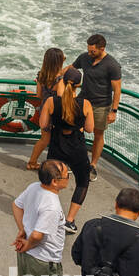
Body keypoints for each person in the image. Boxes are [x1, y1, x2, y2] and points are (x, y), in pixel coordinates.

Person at [5, 159, 69, 276]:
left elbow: (16, 205)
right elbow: (39, 235)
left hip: (28, 254)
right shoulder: (52, 206)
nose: (69, 178)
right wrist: (28, 242)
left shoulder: (34, 187)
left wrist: (22, 231)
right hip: (43, 258)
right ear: (55, 182)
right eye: (67, 175)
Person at [38, 66, 95, 233]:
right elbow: (90, 129)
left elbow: (43, 124)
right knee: (82, 181)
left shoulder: (51, 102)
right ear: (79, 85)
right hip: (77, 147)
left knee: (50, 180)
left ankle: (47, 214)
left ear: (62, 82)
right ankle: (69, 221)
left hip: (57, 146)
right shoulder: (85, 104)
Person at [72, 34, 121, 180]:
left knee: (98, 135)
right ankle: (75, 159)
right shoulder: (84, 58)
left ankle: (92, 164)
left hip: (101, 105)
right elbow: (71, 69)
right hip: (82, 101)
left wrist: (114, 111)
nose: (89, 53)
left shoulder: (112, 65)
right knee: (74, 129)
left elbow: (117, 90)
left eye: (93, 51)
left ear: (102, 49)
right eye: (88, 50)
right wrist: (56, 75)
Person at [27, 47, 65, 170]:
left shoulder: (41, 75)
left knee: (44, 139)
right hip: (56, 112)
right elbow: (60, 97)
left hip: (44, 111)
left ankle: (32, 162)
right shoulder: (60, 79)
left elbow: (39, 95)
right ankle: (55, 166)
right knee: (59, 140)